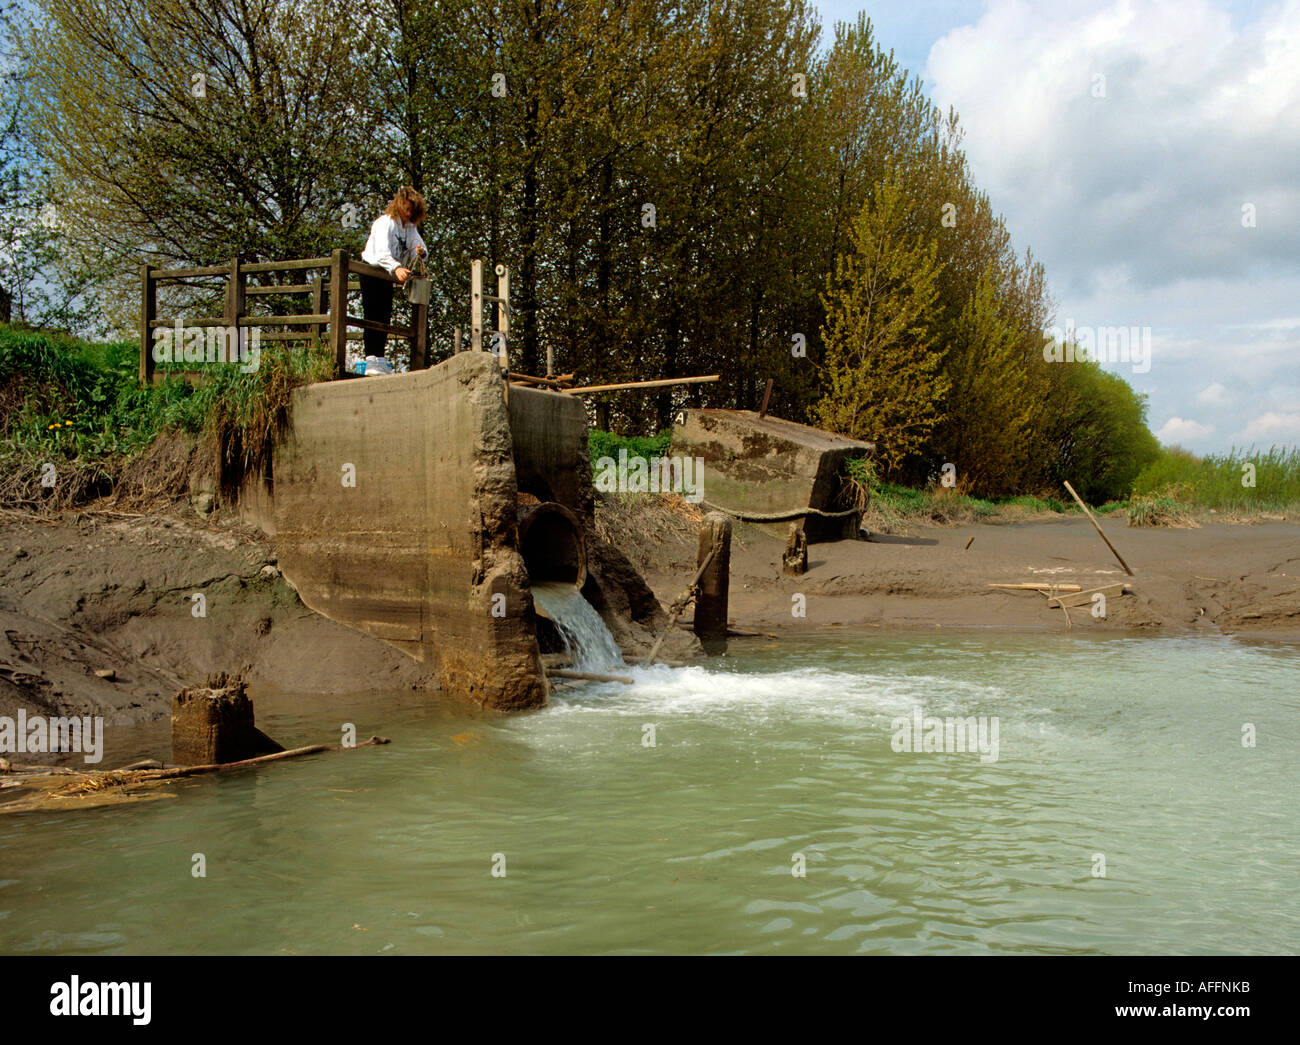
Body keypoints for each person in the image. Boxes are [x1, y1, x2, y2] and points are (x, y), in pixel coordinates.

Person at [358, 186, 428, 375]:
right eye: (406, 209)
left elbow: (416, 245)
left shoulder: (409, 227)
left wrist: (419, 252)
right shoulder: (384, 223)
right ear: (400, 205)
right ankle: (370, 359)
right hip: (372, 270)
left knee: (385, 314)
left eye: (412, 211)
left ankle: (380, 359)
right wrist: (396, 267)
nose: (408, 214)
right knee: (372, 313)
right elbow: (381, 253)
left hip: (386, 274)